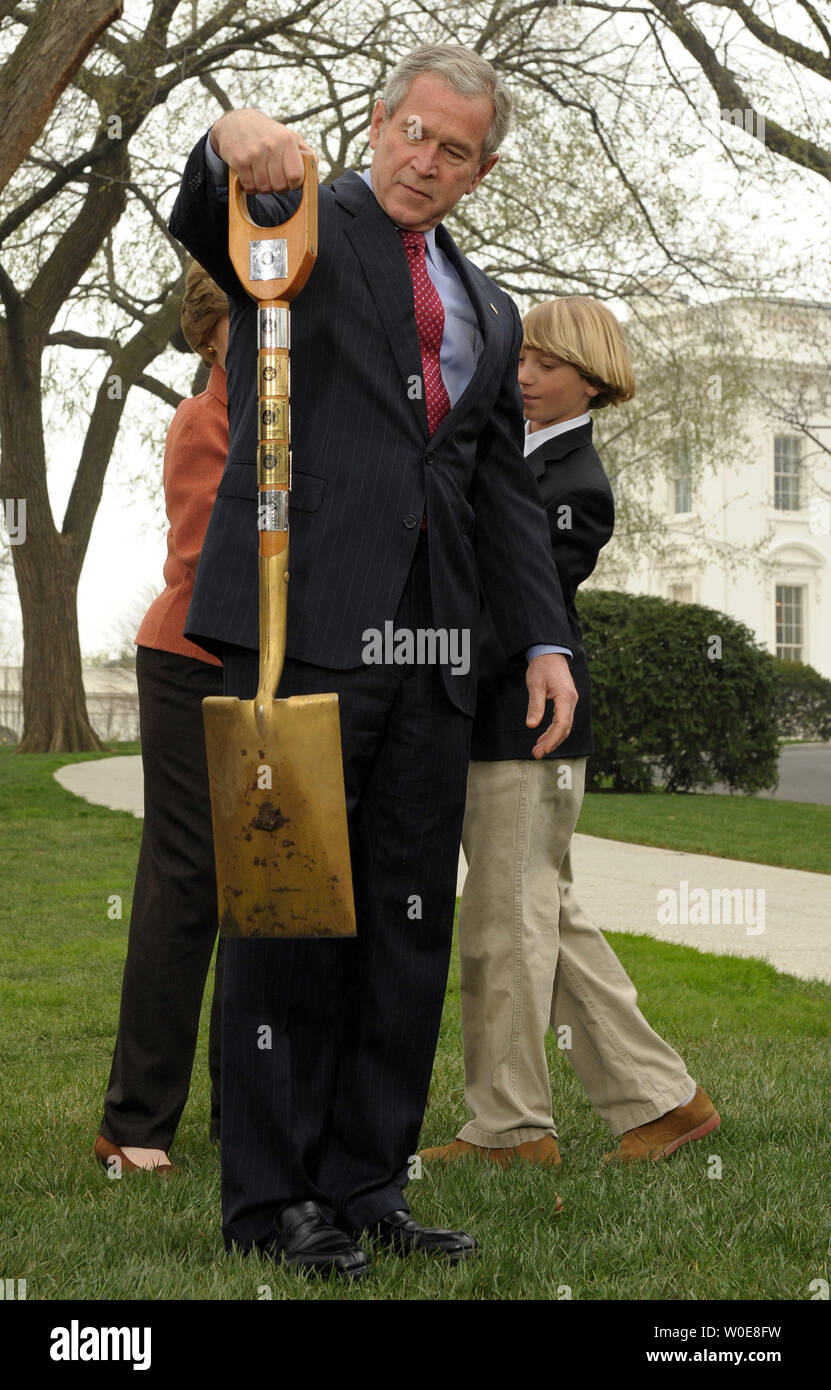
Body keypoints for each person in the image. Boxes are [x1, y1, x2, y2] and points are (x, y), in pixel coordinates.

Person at [168, 44, 581, 1278]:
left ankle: (367, 1183)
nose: (427, 161)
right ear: (378, 120)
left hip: (440, 655)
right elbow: (216, 211)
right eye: (413, 132)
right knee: (288, 921)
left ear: (481, 171)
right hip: (303, 634)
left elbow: (500, 488)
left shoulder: (491, 310)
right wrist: (230, 135)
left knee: (405, 924)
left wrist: (546, 639)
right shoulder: (298, 222)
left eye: (456, 151)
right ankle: (272, 1200)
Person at [420, 297, 720, 1190]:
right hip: (491, 723)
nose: (522, 377)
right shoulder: (510, 456)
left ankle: (512, 1126)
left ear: (589, 373)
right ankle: (663, 1102)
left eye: (543, 364)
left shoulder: (574, 482)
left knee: (504, 925)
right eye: (518, 362)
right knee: (543, 915)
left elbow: (509, 598)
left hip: (528, 727)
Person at [94, 263, 229, 1176]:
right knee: (187, 885)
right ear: (212, 336)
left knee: (275, 898)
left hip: (293, 678)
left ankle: (253, 1113)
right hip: (192, 665)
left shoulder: (316, 415)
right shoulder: (202, 421)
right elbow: (206, 559)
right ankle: (133, 1128)